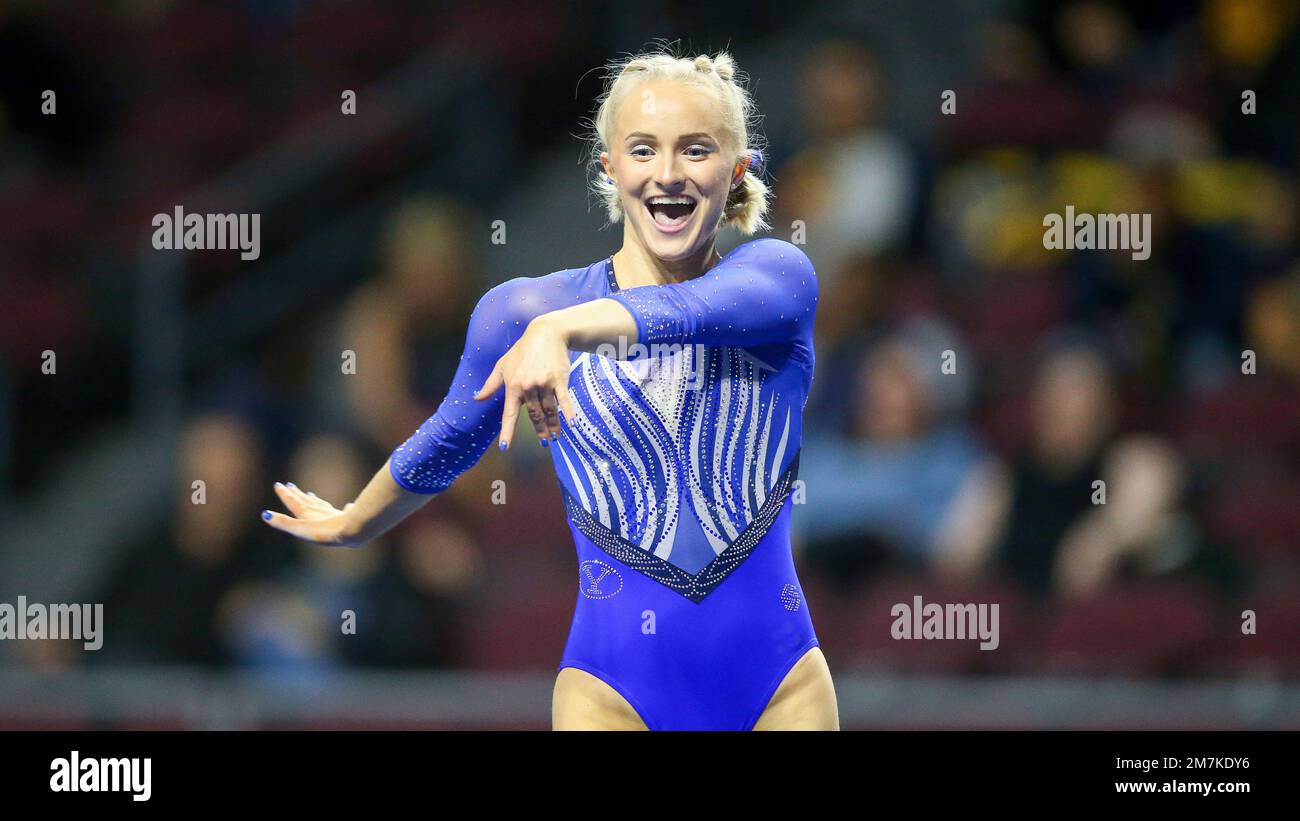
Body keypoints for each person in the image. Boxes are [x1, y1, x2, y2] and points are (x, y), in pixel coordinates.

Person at [263, 49, 838, 730]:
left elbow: (690, 314)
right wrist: (360, 518)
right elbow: (452, 434)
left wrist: (563, 332)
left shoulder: (777, 279)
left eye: (696, 150)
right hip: (611, 691)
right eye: (644, 149)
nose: (668, 173)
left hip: (780, 687)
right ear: (610, 167)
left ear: (738, 169)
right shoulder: (522, 312)